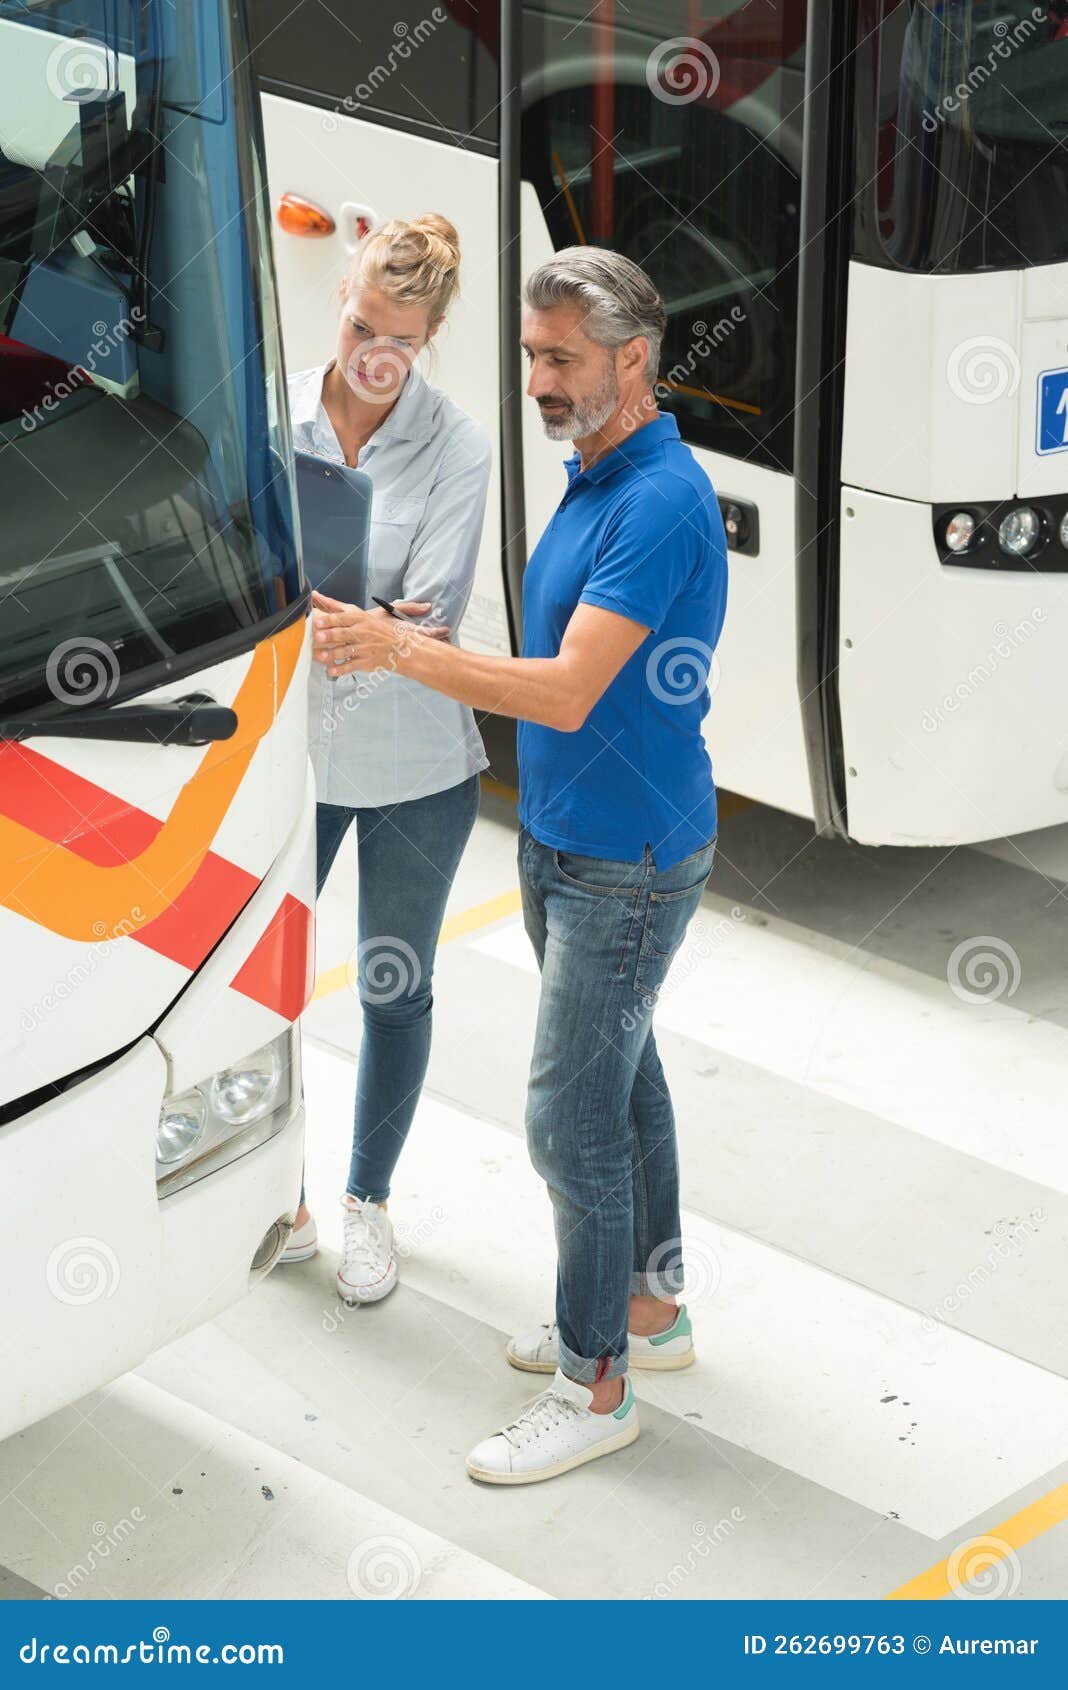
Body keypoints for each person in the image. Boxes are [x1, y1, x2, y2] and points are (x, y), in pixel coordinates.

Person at [313, 247, 728, 1485]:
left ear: (632, 358)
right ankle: (651, 1313)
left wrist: (400, 653)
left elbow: (561, 690)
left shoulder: (656, 501)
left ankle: (592, 1384)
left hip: (627, 857)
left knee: (568, 1118)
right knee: (626, 1074)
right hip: (568, 840)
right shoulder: (597, 470)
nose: (538, 380)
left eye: (560, 360)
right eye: (532, 355)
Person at [281, 215, 491, 1306]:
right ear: (345, 302)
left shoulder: (458, 446)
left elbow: (430, 622)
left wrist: (372, 622)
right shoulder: (278, 411)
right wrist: (370, 618)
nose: (375, 352)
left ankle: (366, 1203)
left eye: (399, 340)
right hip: (290, 762)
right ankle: (280, 1195)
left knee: (391, 991)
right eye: (364, 323)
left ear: (431, 336)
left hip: (417, 767)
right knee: (255, 985)